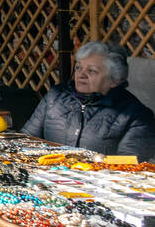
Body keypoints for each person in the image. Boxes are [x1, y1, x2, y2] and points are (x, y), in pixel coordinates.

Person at [23, 42, 155, 160]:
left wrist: (96, 161)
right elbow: (26, 139)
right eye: (78, 67)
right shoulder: (55, 96)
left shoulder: (137, 115)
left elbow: (131, 162)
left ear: (115, 80)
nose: (81, 75)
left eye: (92, 71)